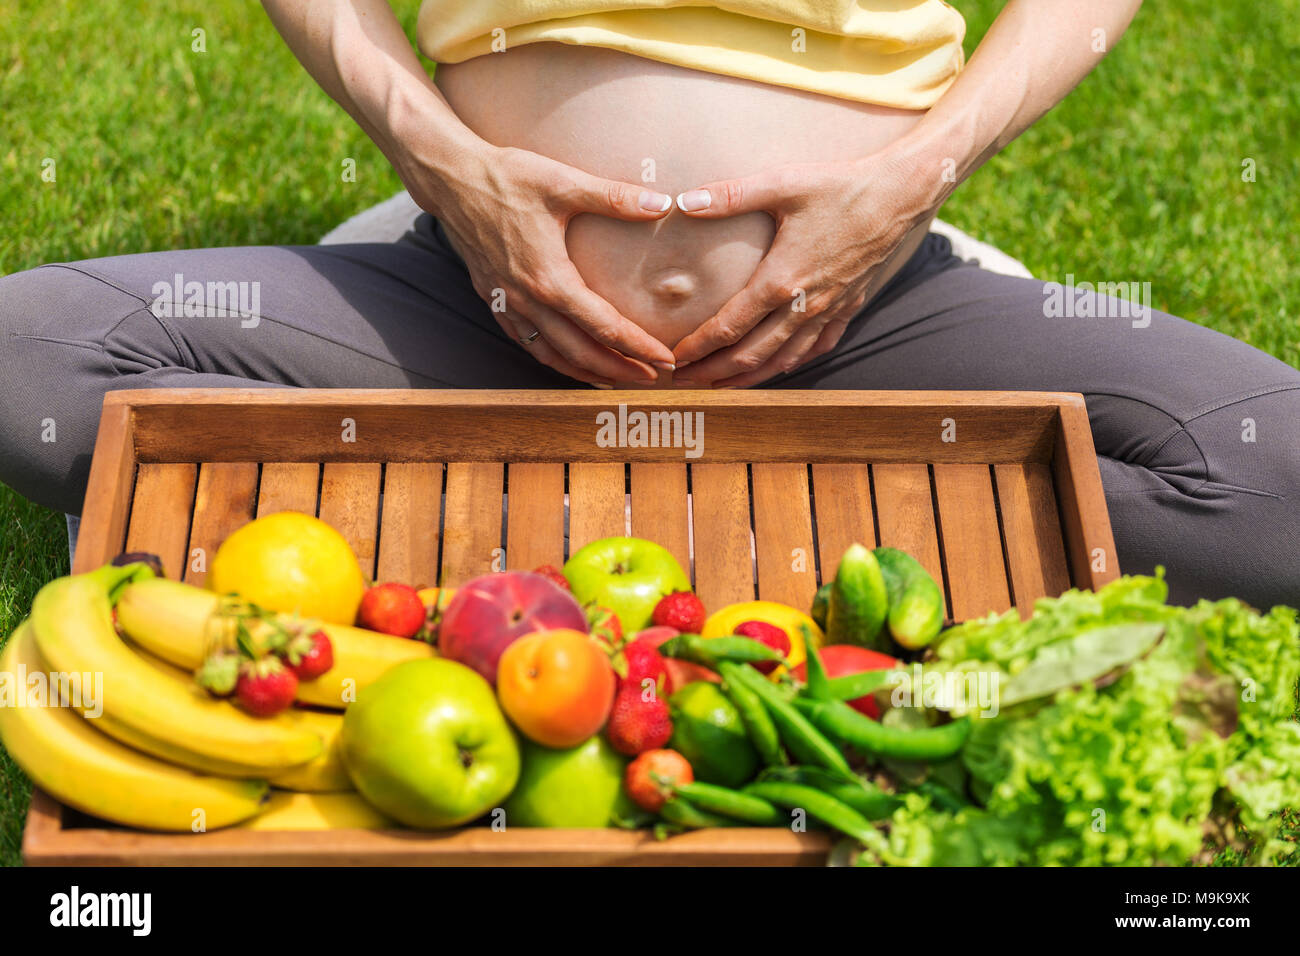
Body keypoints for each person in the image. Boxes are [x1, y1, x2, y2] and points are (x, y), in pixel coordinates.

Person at [0, 0, 1296, 608]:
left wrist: (915, 178)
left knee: (1276, 475)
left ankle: (494, 526)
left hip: (870, 317)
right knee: (25, 357)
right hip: (476, 311)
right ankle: (841, 540)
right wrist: (448, 173)